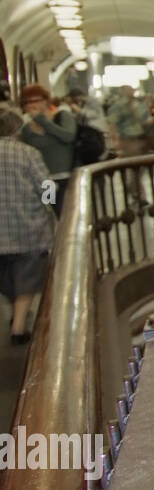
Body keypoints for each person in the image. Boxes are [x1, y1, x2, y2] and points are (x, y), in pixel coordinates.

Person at [0, 104, 54, 346]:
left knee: (6, 277)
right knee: (27, 275)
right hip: (27, 226)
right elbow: (46, 186)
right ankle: (19, 326)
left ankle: (16, 314)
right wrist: (47, 206)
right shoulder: (27, 153)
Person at [18, 84, 76, 216]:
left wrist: (42, 121)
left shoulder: (62, 116)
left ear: (46, 100)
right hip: (46, 181)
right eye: (27, 102)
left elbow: (68, 136)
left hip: (67, 178)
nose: (32, 105)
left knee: (67, 215)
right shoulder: (26, 129)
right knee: (51, 214)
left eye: (36, 100)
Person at [106, 87, 150, 205]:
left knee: (139, 169)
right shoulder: (118, 107)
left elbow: (143, 120)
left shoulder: (137, 105)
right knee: (135, 168)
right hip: (128, 140)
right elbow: (112, 124)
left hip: (140, 138)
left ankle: (134, 191)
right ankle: (139, 194)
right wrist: (116, 141)